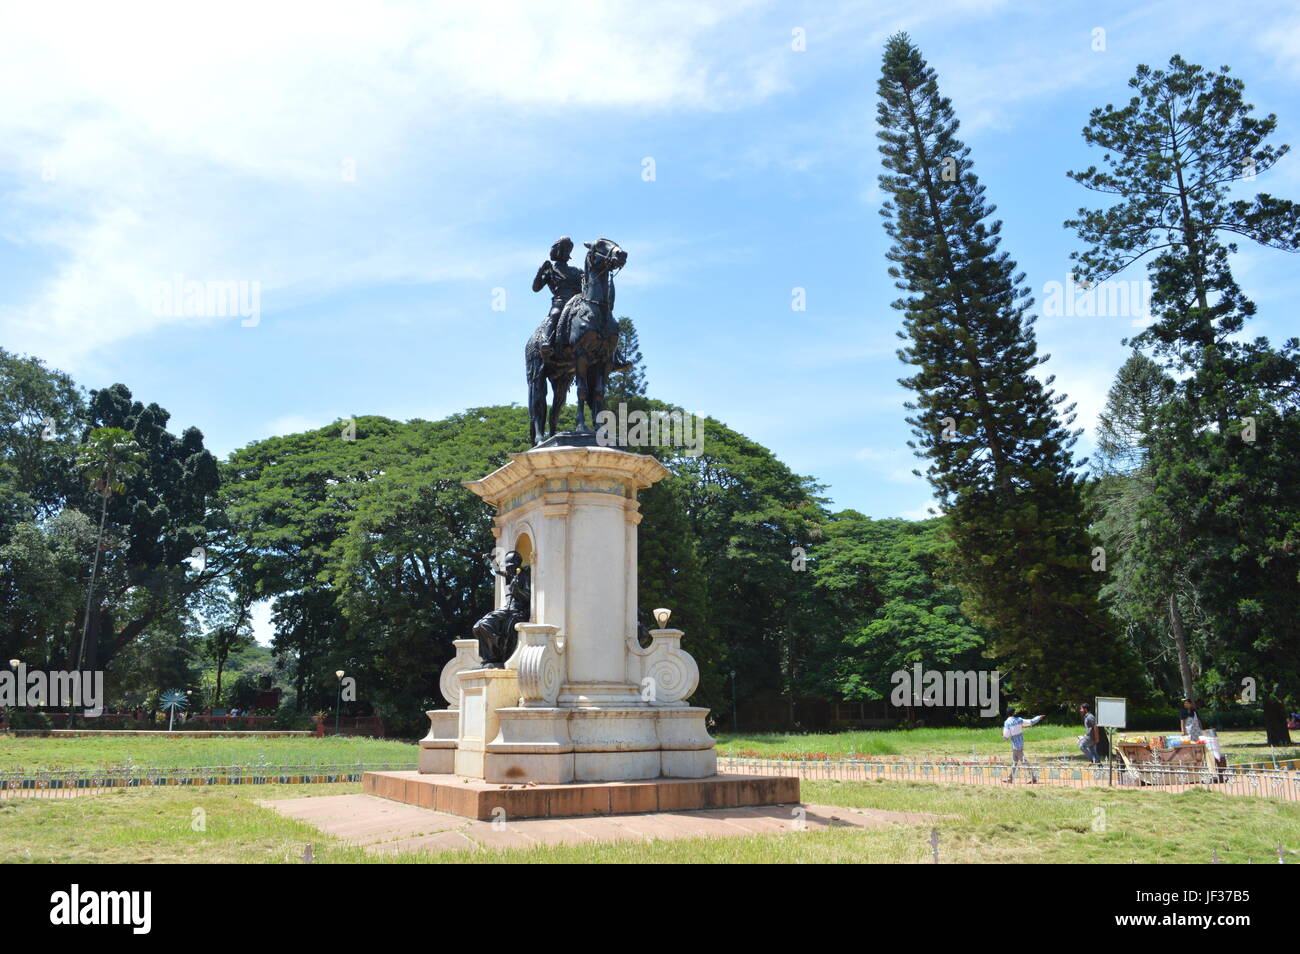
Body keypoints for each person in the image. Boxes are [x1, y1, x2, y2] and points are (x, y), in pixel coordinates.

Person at [1002, 713, 1044, 783]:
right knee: (1014, 762)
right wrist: (1038, 717)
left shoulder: (1007, 722)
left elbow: (1005, 736)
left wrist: (1003, 735)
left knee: (1023, 761)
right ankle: (1010, 778)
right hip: (1021, 743)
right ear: (1013, 712)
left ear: (1007, 713)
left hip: (1015, 745)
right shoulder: (1019, 720)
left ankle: (1033, 778)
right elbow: (1031, 722)